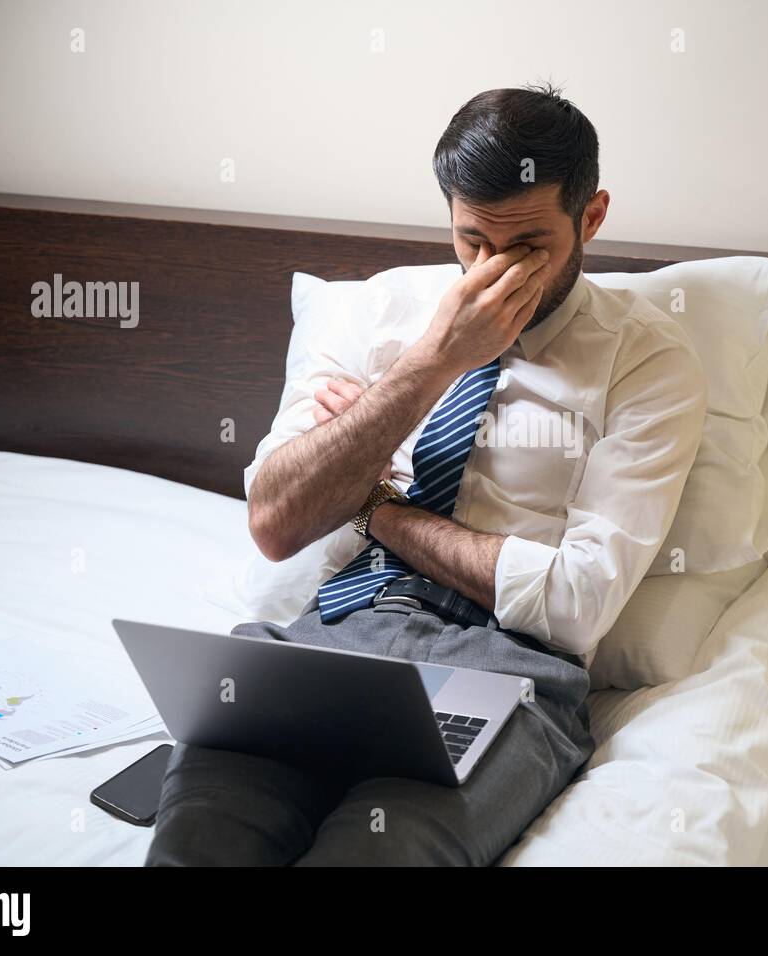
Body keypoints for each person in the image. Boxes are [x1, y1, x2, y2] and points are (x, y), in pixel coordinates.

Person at [145, 82, 706, 866]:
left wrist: (376, 508)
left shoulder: (649, 360)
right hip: (331, 635)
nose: (491, 271)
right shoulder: (381, 315)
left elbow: (578, 606)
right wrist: (435, 361)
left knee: (380, 853)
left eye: (527, 247)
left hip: (508, 670)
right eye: (472, 240)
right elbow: (276, 521)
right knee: (198, 845)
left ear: (593, 216)